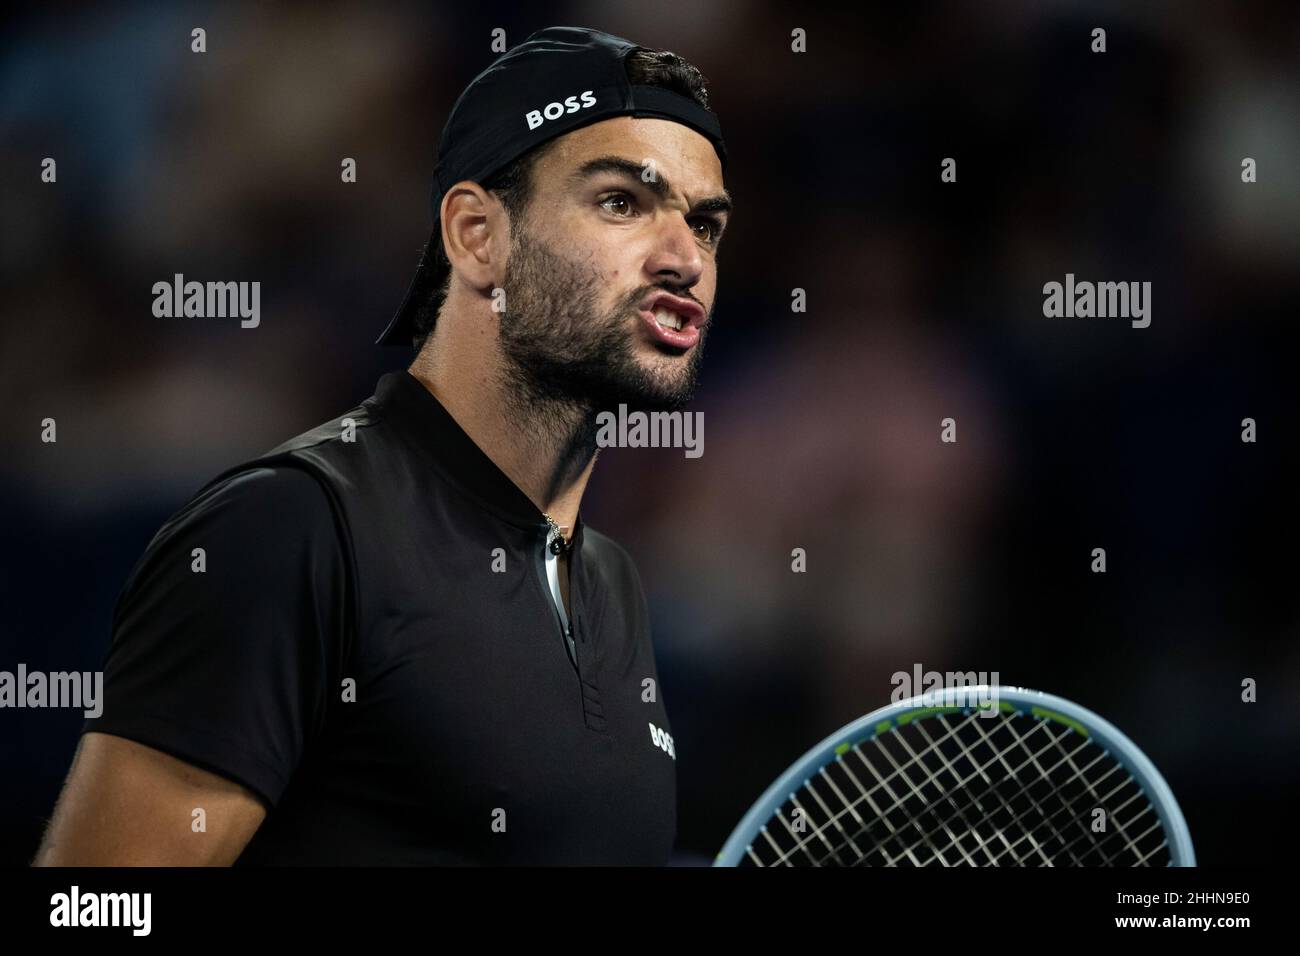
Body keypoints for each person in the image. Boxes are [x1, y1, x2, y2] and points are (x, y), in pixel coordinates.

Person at [34, 25, 732, 866]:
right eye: (622, 201)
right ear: (478, 235)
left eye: (706, 225)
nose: (684, 257)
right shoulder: (291, 529)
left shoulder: (612, 585)